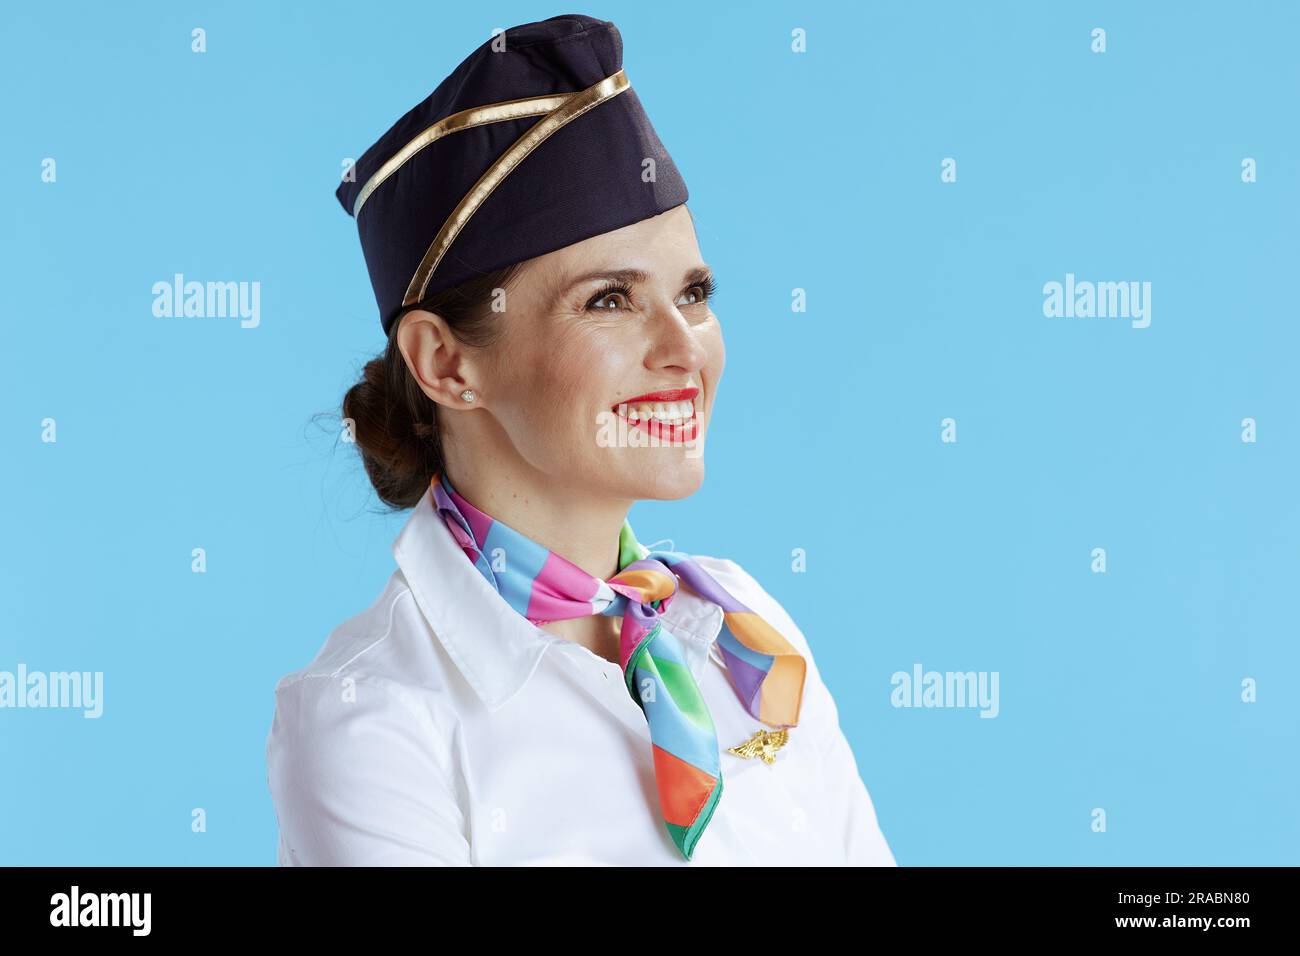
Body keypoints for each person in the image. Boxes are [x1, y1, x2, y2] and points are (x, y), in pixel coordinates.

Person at [265, 13, 896, 866]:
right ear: (447, 364)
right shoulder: (368, 715)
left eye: (696, 292)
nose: (685, 350)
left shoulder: (746, 631)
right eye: (610, 299)